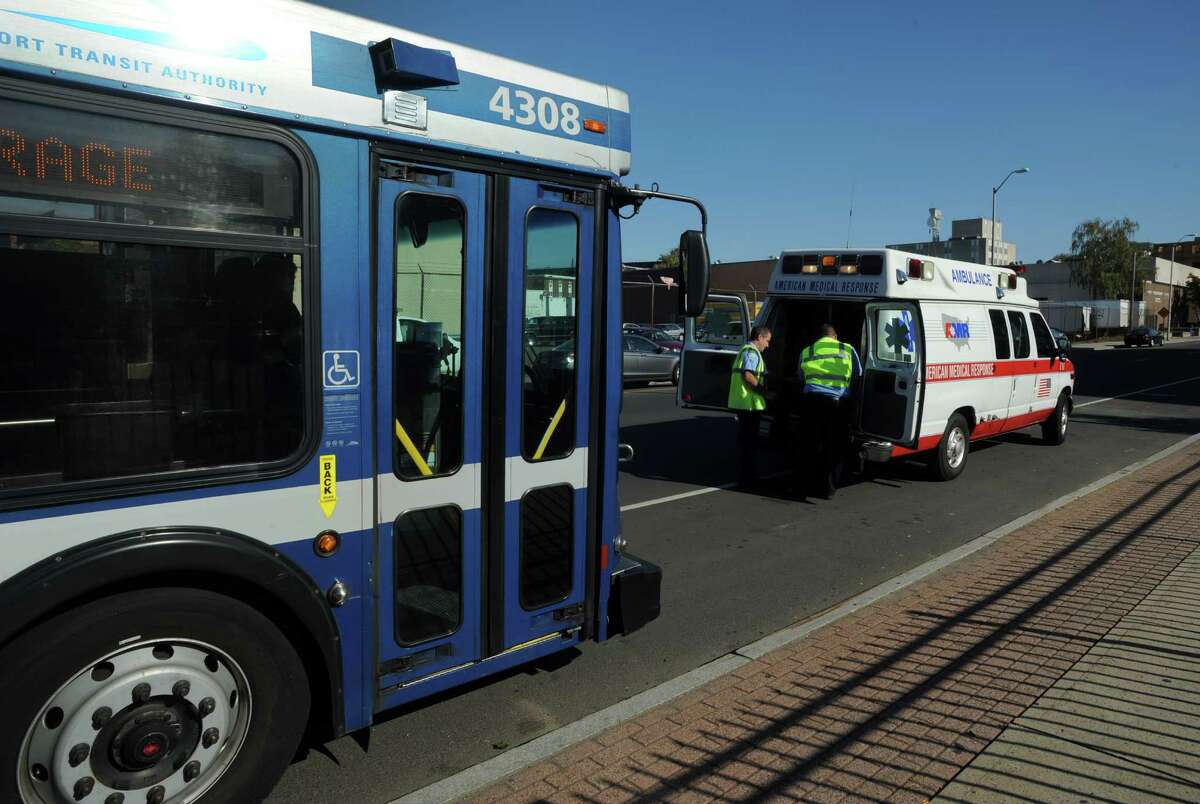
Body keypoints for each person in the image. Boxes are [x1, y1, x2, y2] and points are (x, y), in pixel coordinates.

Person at [798, 323, 861, 499]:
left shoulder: (807, 351)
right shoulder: (846, 348)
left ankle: (806, 486)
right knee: (835, 446)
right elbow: (858, 375)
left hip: (811, 402)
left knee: (811, 444)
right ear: (835, 336)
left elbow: (801, 377)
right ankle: (828, 489)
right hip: (837, 405)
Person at [728, 325, 771, 487]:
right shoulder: (752, 353)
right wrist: (763, 391)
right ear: (759, 337)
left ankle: (746, 476)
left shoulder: (746, 350)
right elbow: (748, 375)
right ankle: (748, 478)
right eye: (767, 340)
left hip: (743, 404)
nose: (768, 345)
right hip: (748, 405)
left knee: (745, 442)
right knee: (749, 443)